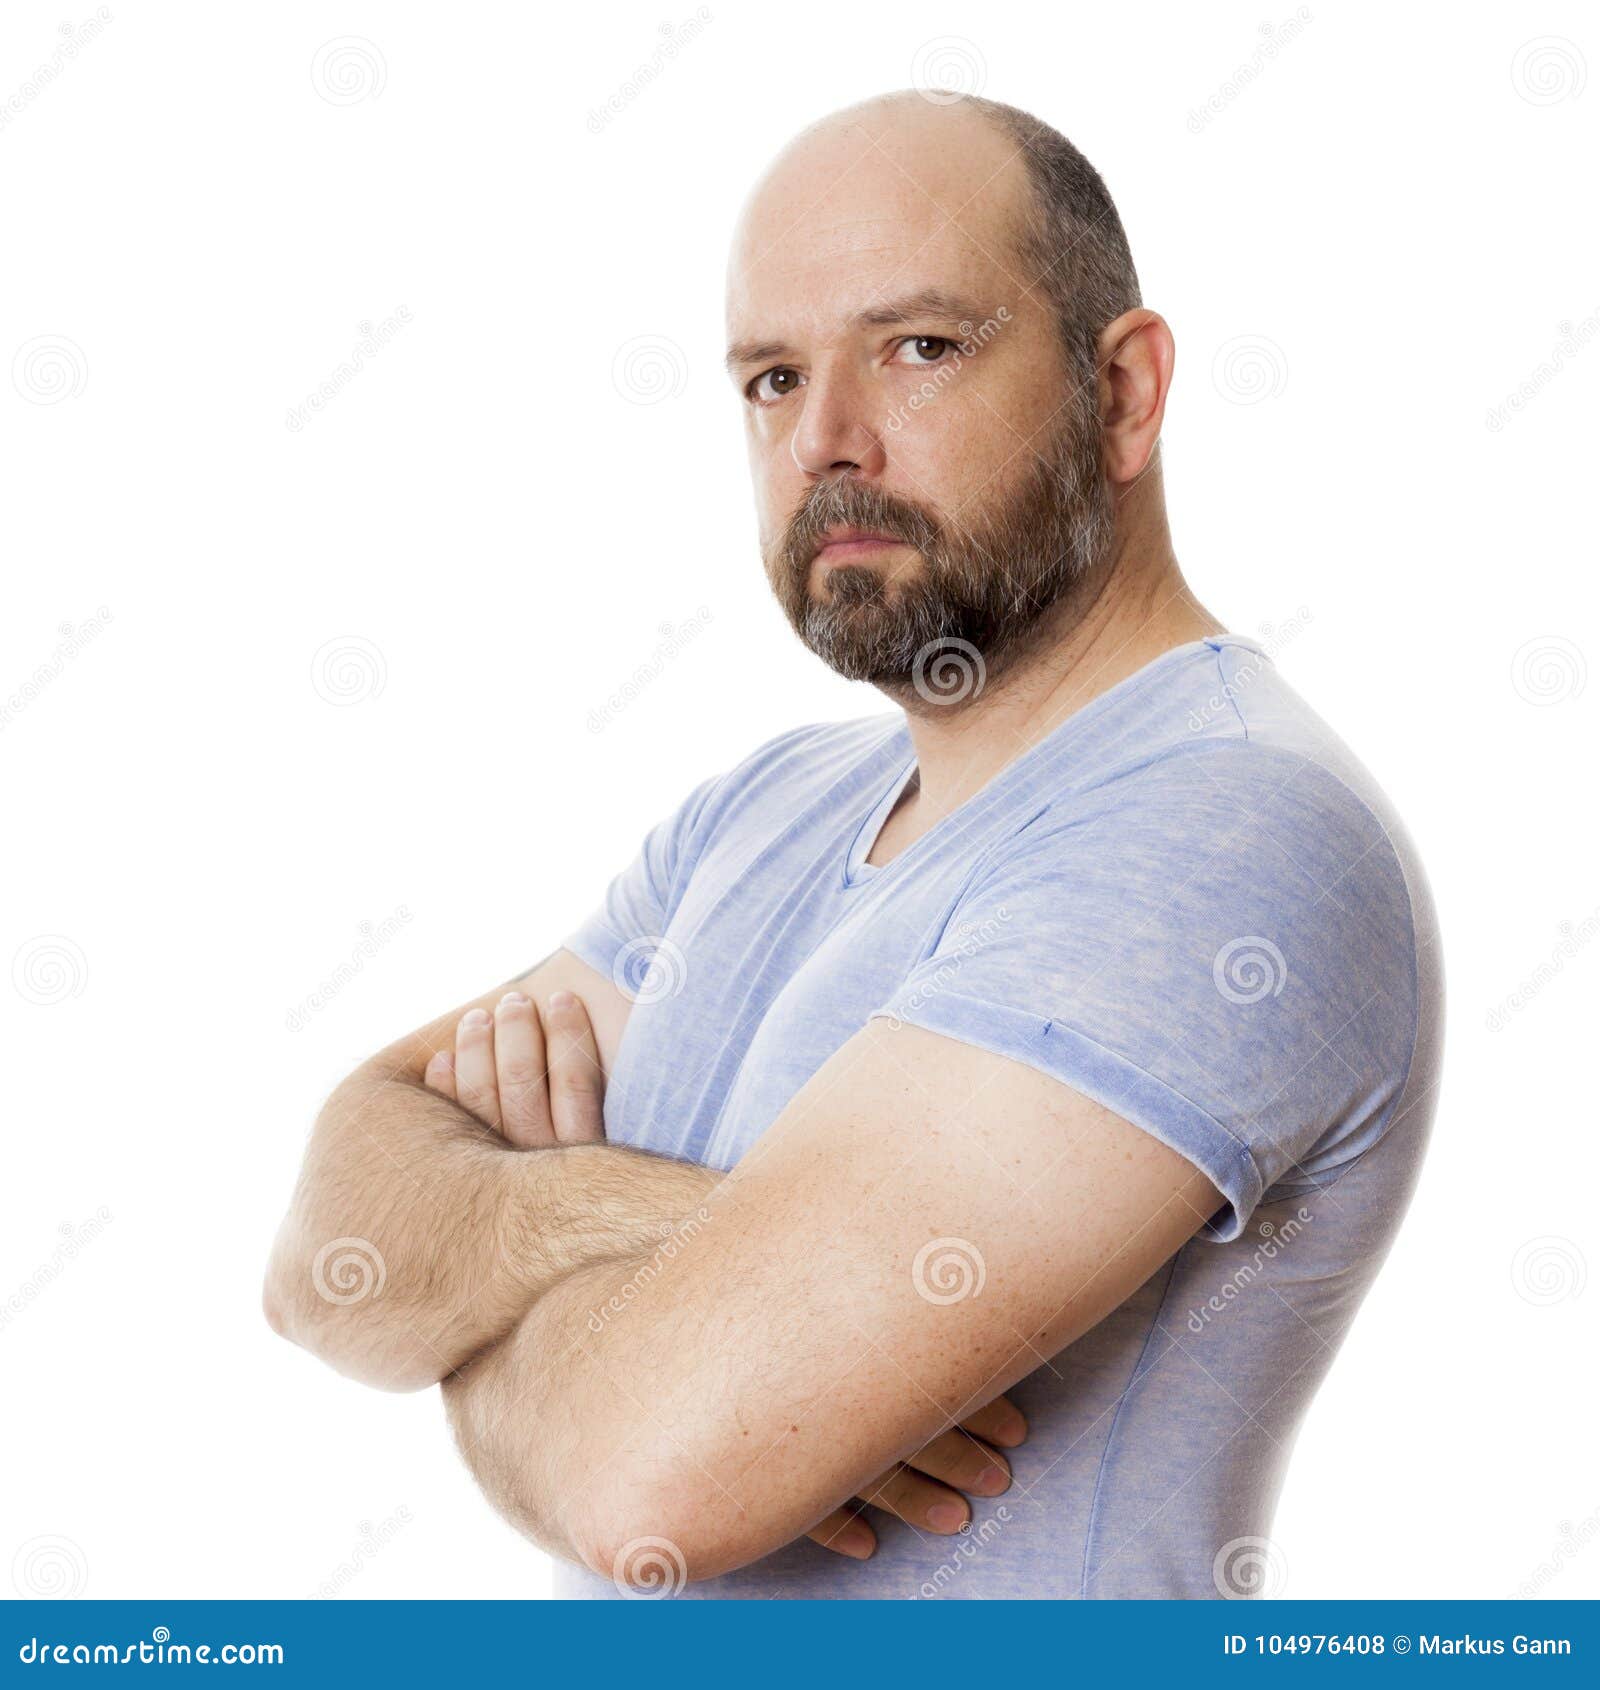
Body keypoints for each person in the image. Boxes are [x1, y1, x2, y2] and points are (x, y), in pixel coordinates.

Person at [264, 89, 1442, 1600]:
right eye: (771, 376)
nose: (824, 440)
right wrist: (659, 1243)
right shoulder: (753, 813)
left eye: (920, 347)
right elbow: (324, 1255)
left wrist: (484, 1297)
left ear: (1127, 393)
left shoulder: (1230, 823)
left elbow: (646, 1482)